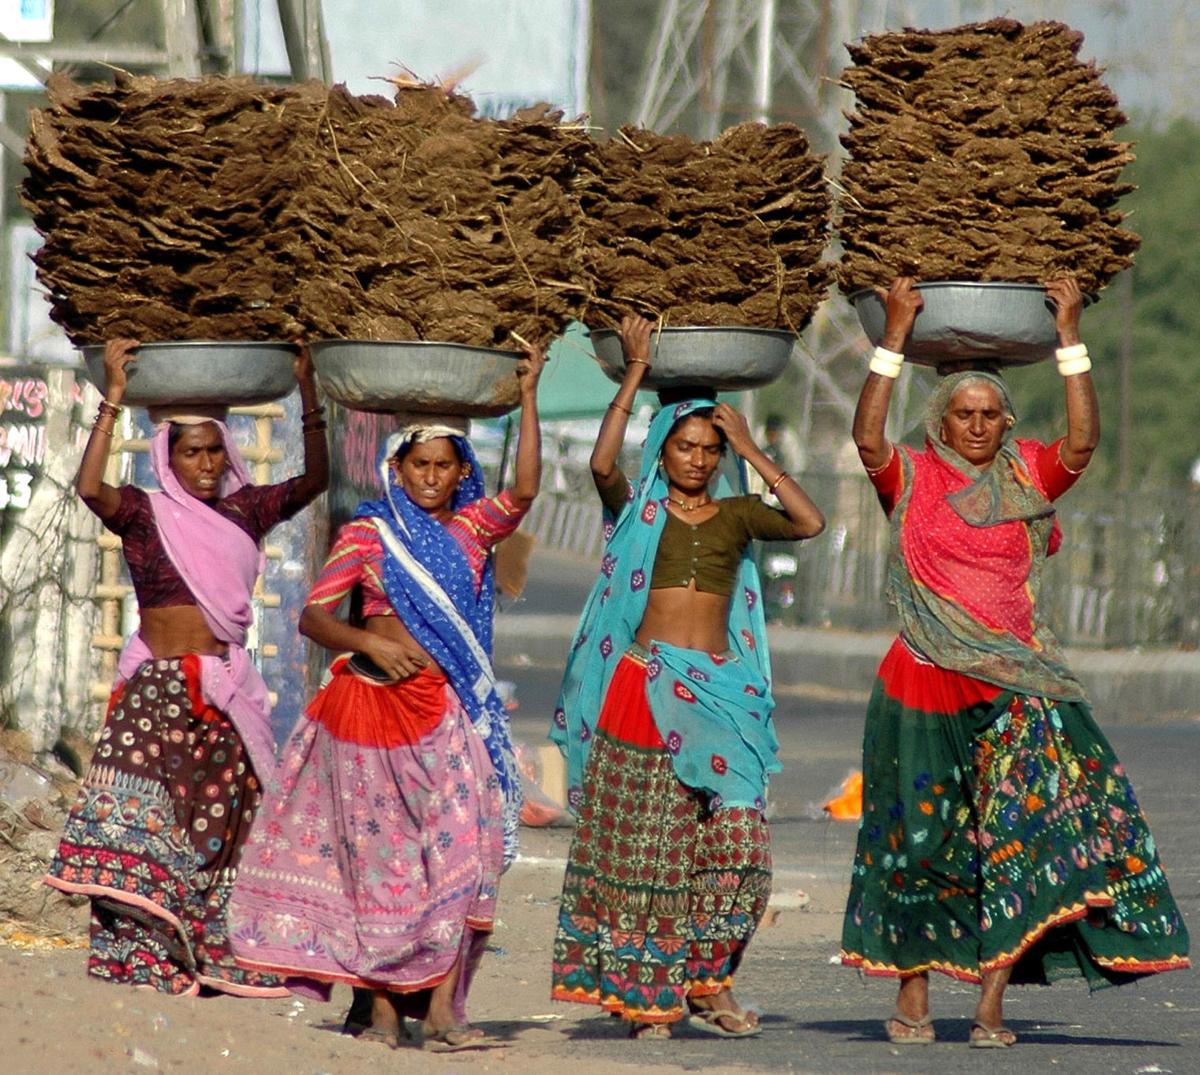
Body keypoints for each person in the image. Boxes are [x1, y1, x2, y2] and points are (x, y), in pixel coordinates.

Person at [840, 277, 1190, 1048]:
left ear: (1007, 420)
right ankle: (914, 999)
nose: (975, 425)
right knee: (921, 839)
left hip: (1017, 681)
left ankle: (991, 1007)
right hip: (923, 677)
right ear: (941, 419)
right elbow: (867, 441)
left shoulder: (1028, 474)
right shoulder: (914, 475)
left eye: (990, 414)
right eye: (962, 414)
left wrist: (1070, 338)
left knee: (1023, 838)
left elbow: (1083, 444)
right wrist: (893, 337)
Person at [227, 344, 546, 1052]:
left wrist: (528, 394)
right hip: (367, 712)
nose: (431, 477)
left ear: (463, 469)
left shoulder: (471, 532)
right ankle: (376, 1010)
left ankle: (441, 1012)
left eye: (445, 465)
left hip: (442, 710)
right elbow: (312, 615)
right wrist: (369, 643)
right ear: (395, 468)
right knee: (376, 864)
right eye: (418, 465)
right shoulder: (367, 534)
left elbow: (524, 488)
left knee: (468, 851)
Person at [550, 315, 826, 1039]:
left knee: (741, 847)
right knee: (650, 850)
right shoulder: (636, 510)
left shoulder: (738, 514)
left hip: (720, 694)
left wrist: (752, 449)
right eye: (686, 446)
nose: (699, 459)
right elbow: (602, 467)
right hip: (641, 689)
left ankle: (707, 976)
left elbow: (808, 522)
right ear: (664, 449)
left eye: (709, 448)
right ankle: (649, 1000)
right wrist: (636, 373)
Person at [45, 337, 329, 996]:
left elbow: (313, 482)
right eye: (190, 451)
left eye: (213, 450)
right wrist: (114, 395)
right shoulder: (145, 515)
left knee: (215, 829)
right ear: (168, 456)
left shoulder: (245, 512)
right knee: (138, 828)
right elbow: (89, 486)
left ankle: (205, 955)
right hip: (156, 695)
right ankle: (144, 956)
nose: (204, 463)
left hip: (222, 695)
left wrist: (307, 389)